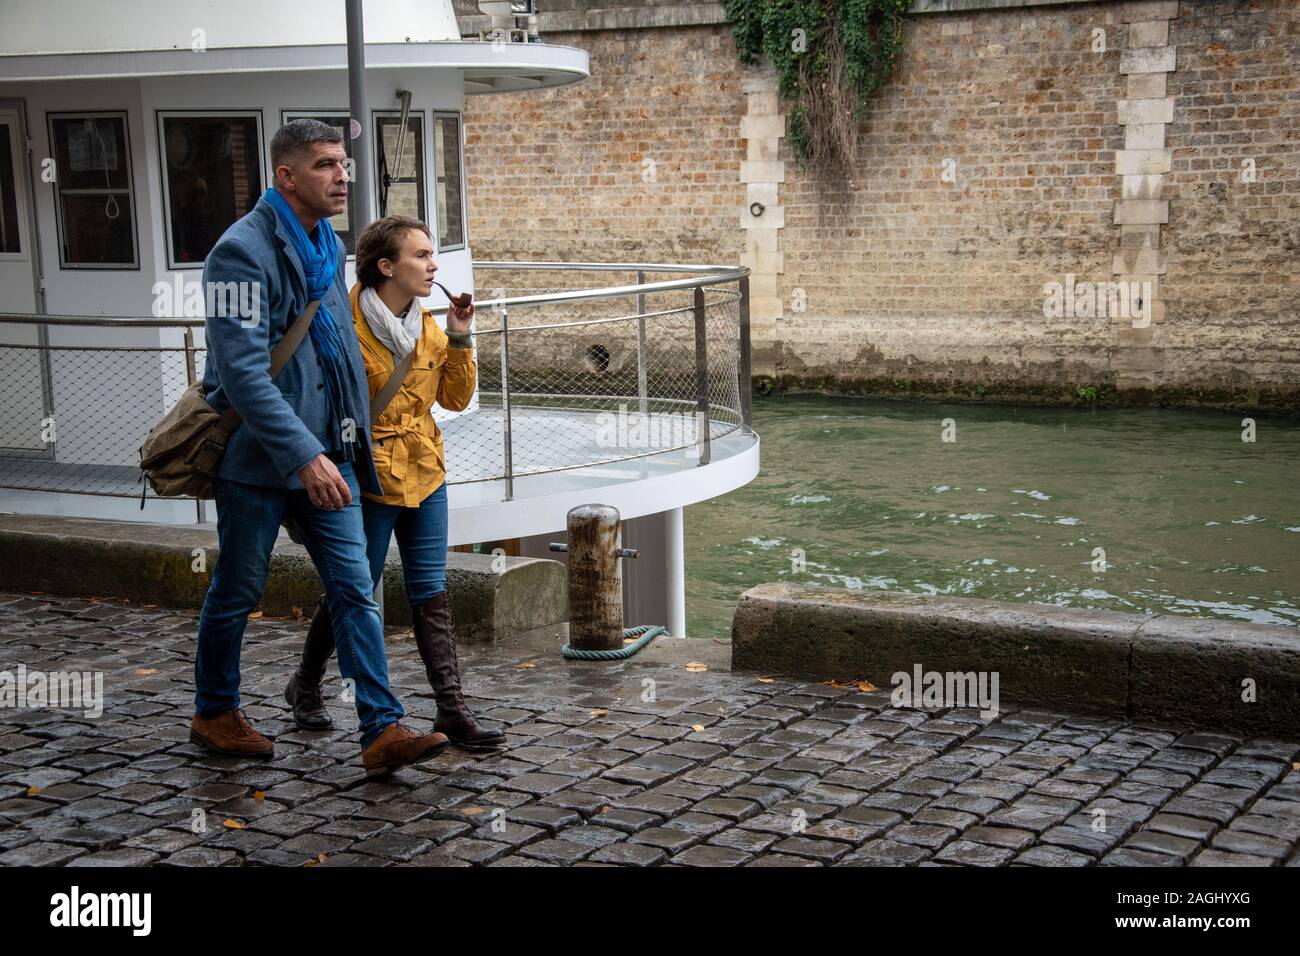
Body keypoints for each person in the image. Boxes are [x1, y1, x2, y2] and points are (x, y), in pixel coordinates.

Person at [191, 119, 449, 778]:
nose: (342, 176)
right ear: (286, 176)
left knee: (356, 589)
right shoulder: (236, 254)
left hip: (329, 458)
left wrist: (347, 448)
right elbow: (243, 373)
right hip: (259, 461)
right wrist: (303, 455)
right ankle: (215, 711)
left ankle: (381, 728)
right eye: (326, 165)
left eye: (343, 163)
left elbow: (337, 355)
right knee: (237, 589)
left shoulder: (325, 246)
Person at [283, 215, 506, 750]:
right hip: (369, 475)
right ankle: (307, 684)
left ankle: (451, 709)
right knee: (352, 588)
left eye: (433, 255)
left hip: (426, 472)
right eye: (421, 256)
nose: (434, 266)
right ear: (386, 266)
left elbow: (453, 400)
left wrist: (459, 335)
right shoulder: (344, 326)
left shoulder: (427, 324)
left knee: (431, 590)